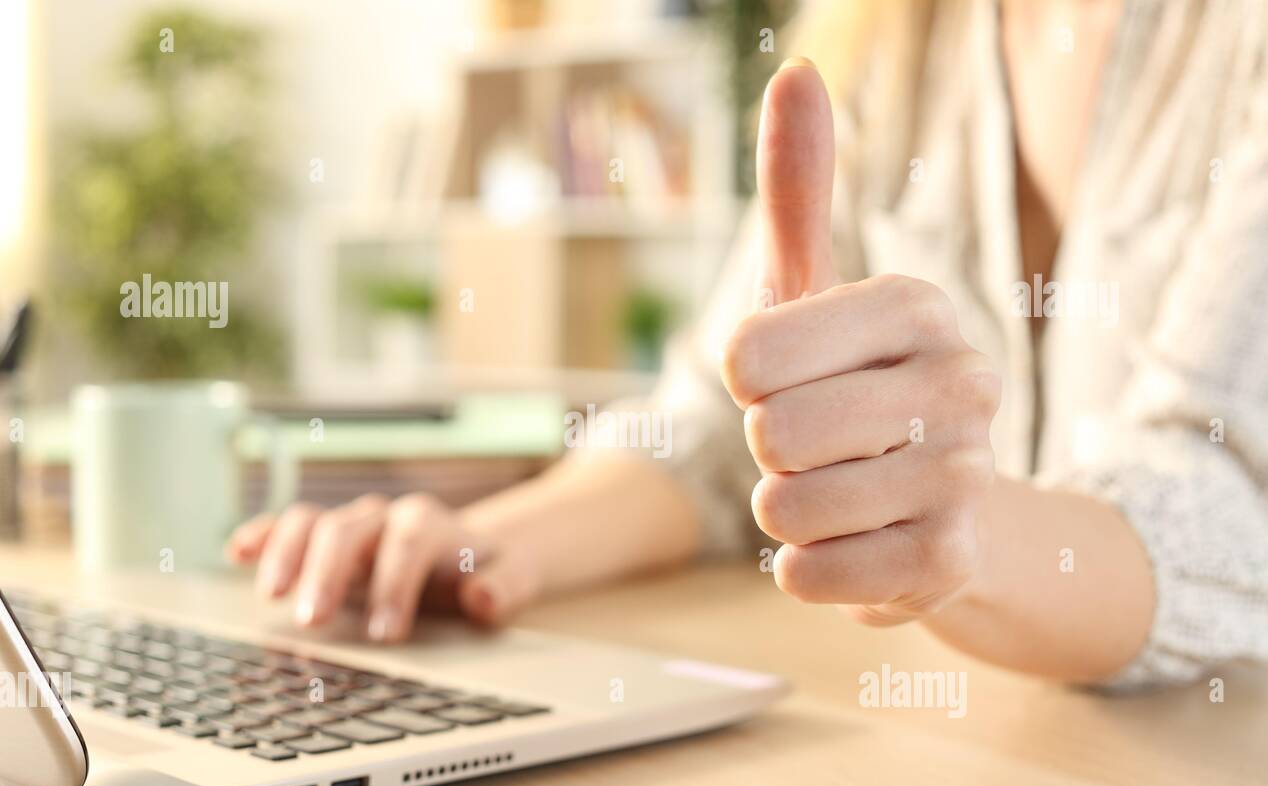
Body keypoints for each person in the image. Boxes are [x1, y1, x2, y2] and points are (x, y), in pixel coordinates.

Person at [228, 0, 1268, 690]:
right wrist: (485, 544)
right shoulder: (887, 35)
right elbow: (717, 421)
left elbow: (1228, 494)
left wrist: (963, 531)